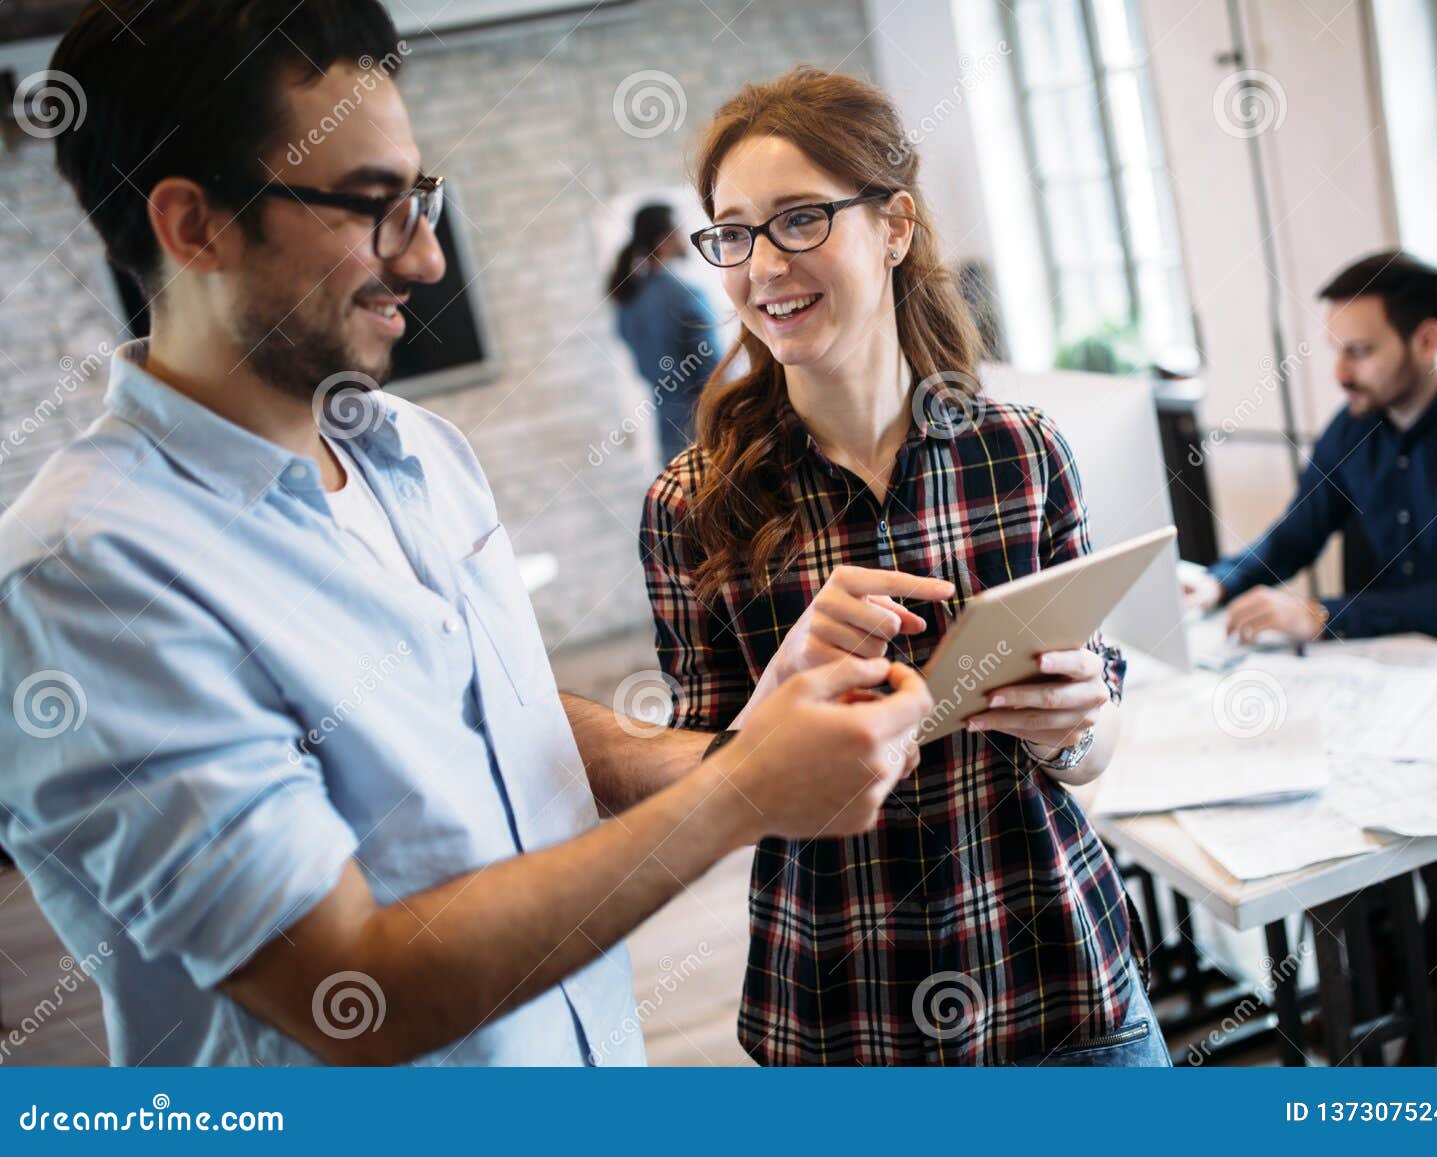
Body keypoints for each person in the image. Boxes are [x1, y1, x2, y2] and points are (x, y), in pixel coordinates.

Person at [0, 0, 932, 1068]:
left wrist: (745, 742)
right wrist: (742, 792)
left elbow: (497, 716)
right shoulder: (88, 577)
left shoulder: (418, 452)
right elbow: (359, 987)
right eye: (371, 205)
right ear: (193, 224)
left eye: (420, 198)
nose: (428, 258)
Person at [639, 67, 1163, 1067]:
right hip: (846, 1010)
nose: (761, 266)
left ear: (893, 226)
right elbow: (692, 798)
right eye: (734, 232)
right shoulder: (693, 507)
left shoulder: (1020, 450)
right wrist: (777, 702)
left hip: (1062, 984)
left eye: (798, 220)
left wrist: (1070, 728)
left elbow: (1094, 745)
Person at [1182, 249, 1437, 1064]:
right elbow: (1296, 532)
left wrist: (1319, 614)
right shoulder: (1358, 423)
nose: (1338, 370)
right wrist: (1217, 586)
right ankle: (1369, 981)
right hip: (1399, 665)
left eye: (1359, 350)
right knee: (1315, 773)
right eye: (1335, 346)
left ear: (1427, 339)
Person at [609, 203, 723, 463]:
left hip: (667, 431)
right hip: (706, 431)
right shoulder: (687, 295)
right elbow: (714, 372)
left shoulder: (627, 302)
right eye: (680, 231)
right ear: (665, 241)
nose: (687, 238)